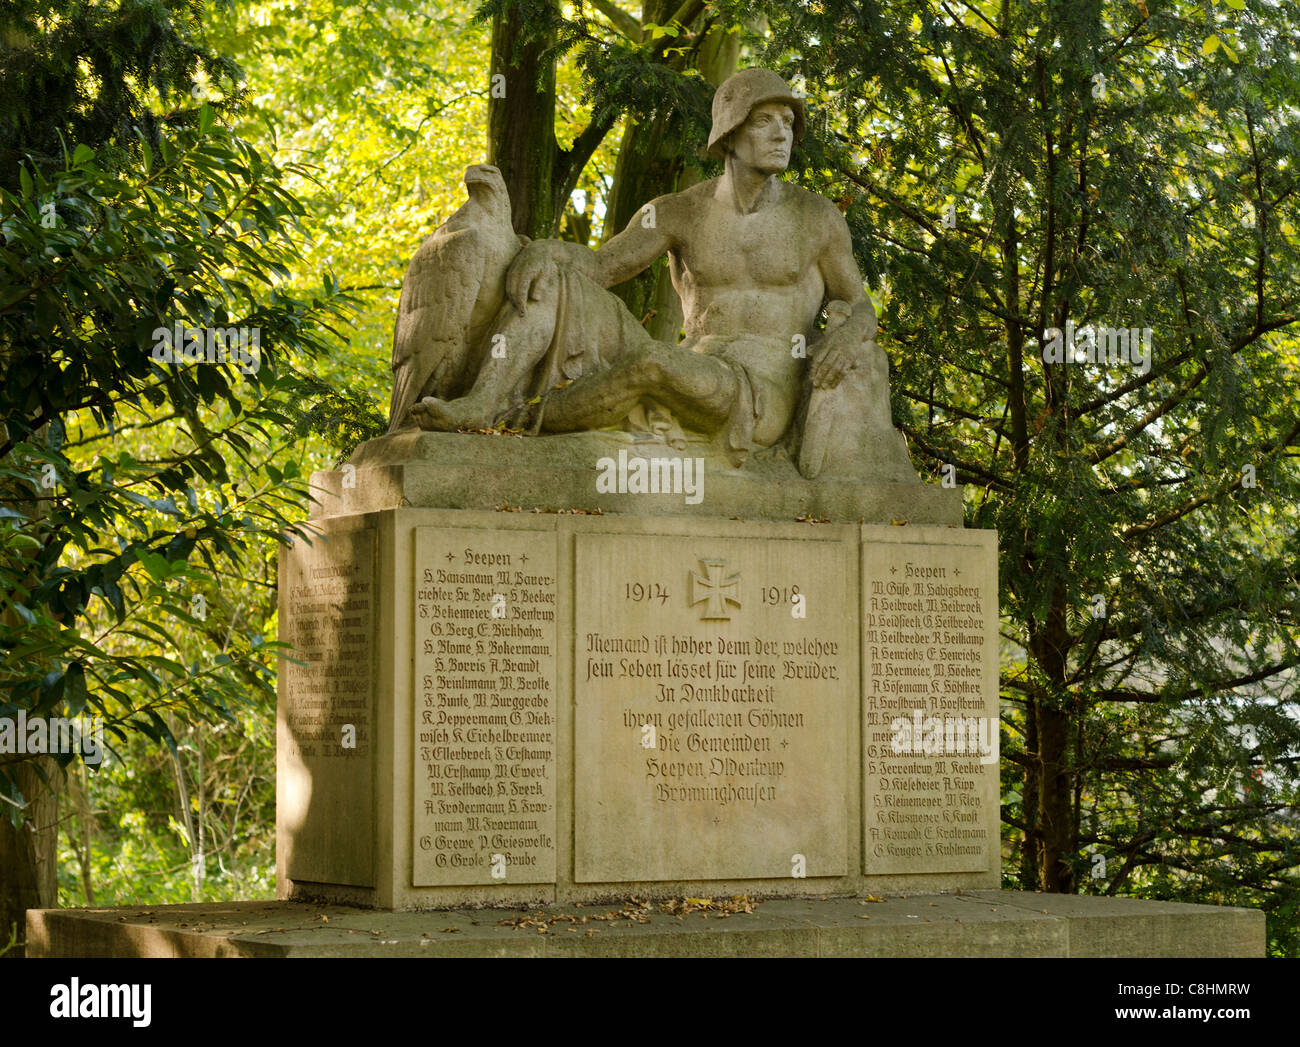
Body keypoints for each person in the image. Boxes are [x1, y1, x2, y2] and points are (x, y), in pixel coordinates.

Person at [411, 68, 879, 467]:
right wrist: (548, 251)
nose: (782, 134)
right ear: (731, 133)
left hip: (762, 386)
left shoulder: (817, 217)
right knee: (552, 281)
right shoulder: (679, 211)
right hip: (696, 362)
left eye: (787, 123)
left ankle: (522, 420)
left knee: (652, 361)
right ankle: (481, 403)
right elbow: (601, 266)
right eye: (765, 122)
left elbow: (859, 305)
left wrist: (845, 335)